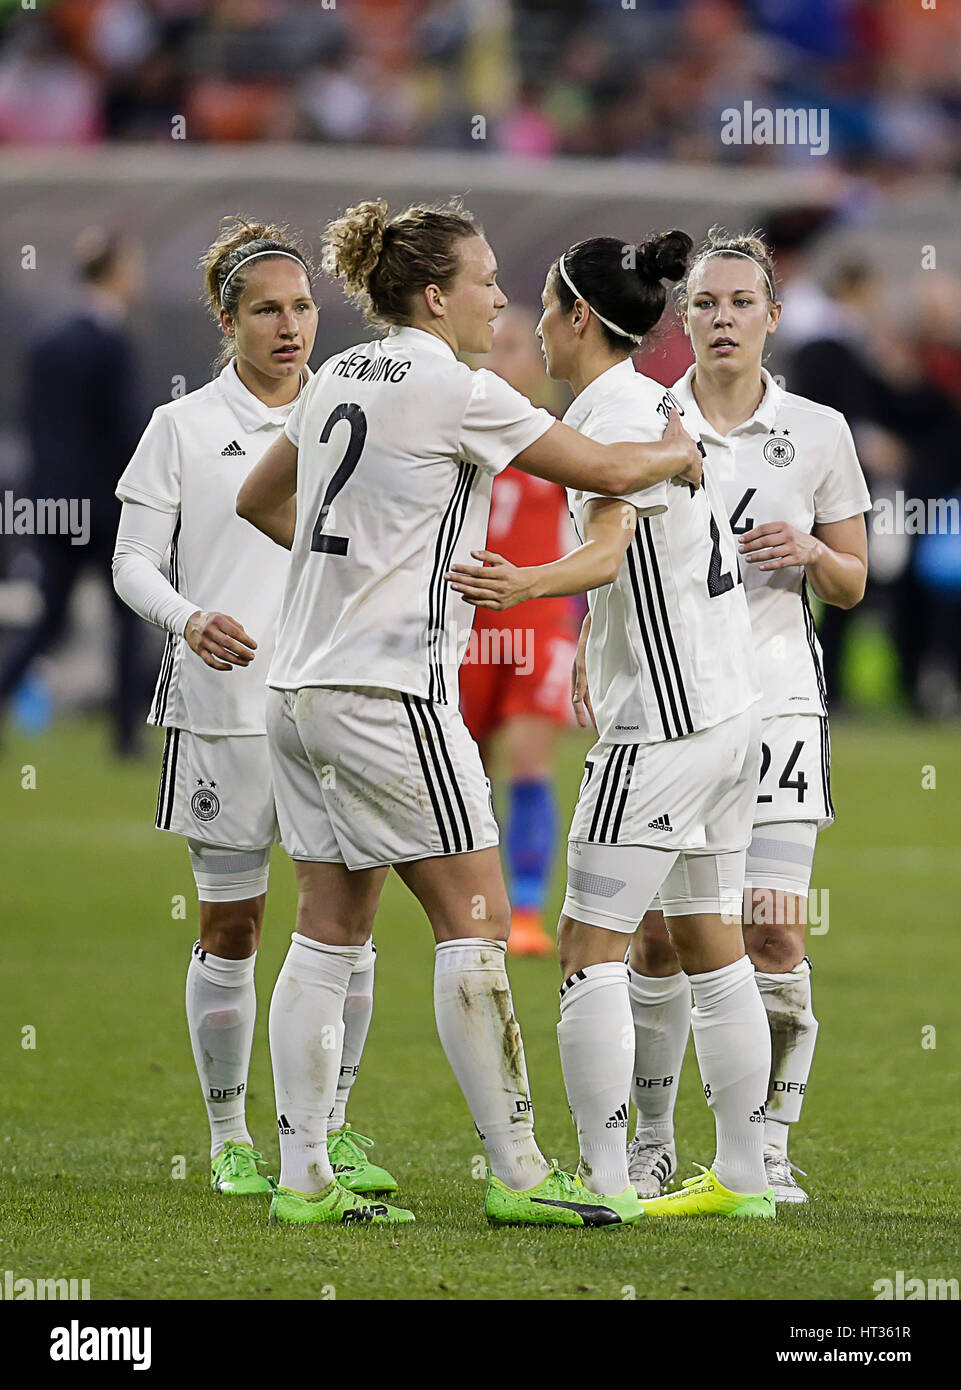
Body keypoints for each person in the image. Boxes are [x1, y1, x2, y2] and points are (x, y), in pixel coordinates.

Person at [236, 197, 701, 1228]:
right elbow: (610, 470)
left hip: (299, 687)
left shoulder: (335, 379)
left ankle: (306, 1173)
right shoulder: (456, 387)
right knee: (479, 919)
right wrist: (679, 449)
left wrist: (354, 567)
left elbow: (260, 502)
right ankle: (521, 1170)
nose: (500, 298)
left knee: (328, 926)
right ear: (436, 294)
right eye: (487, 279)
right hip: (390, 693)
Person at [449, 230, 775, 1219]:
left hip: (666, 728)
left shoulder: (610, 419)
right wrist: (597, 658)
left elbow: (604, 547)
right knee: (709, 940)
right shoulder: (655, 403)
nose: (530, 325)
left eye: (541, 308)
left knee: (591, 948)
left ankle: (600, 1179)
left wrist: (523, 585)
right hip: (727, 709)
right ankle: (742, 1174)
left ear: (578, 317)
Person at [112, 217, 395, 1201]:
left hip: (338, 709)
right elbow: (130, 561)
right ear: (226, 319)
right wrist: (188, 619)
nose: (290, 325)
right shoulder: (182, 427)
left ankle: (331, 1127)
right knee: (233, 925)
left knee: (349, 930)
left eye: (304, 306)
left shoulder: (352, 408)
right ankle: (231, 1133)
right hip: (224, 711)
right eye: (267, 309)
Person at [625, 229, 870, 1203]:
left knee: (772, 932)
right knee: (653, 935)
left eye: (740, 303)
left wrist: (810, 551)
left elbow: (853, 583)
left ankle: (767, 1142)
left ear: (772, 314)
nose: (722, 319)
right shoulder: (645, 420)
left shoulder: (817, 431)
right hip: (668, 708)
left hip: (777, 708)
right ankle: (648, 1136)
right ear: (682, 321)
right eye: (705, 305)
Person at [0, 228, 147, 756]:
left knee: (51, 617)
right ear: (114, 272)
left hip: (50, 506)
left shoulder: (46, 340)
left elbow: (37, 428)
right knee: (129, 615)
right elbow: (124, 434)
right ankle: (127, 735)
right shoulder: (112, 342)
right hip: (103, 508)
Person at [459, 306, 577, 957]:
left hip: (538, 626)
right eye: (493, 346)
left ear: (537, 362)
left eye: (515, 347)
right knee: (468, 773)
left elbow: (590, 543)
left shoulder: (560, 442)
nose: (501, 358)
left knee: (529, 764)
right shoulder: (455, 438)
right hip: (465, 628)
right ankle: (481, 906)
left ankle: (528, 912)